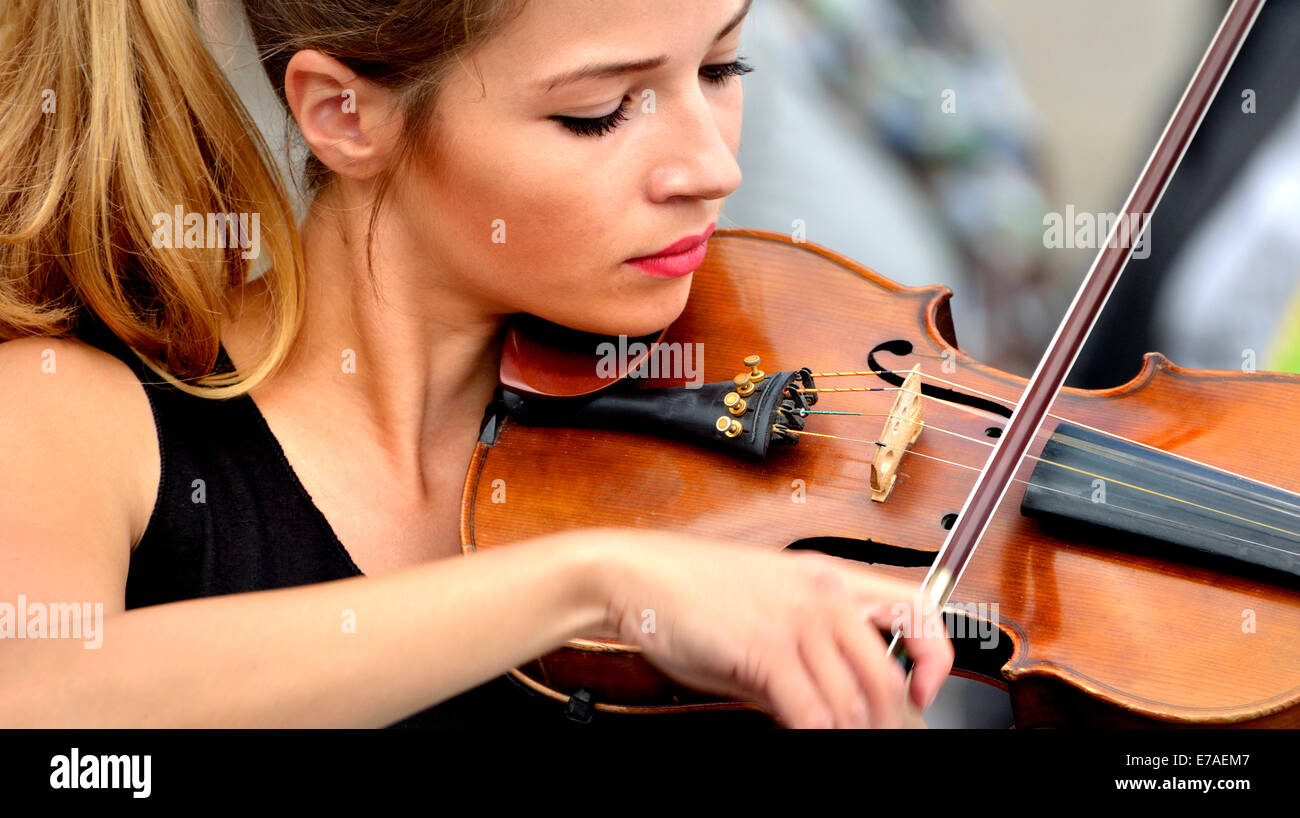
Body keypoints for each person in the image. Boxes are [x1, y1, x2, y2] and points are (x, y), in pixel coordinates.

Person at [0, 0, 952, 728]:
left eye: (720, 66)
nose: (711, 168)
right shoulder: (78, 412)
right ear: (344, 114)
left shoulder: (731, 409)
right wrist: (595, 581)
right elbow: (40, 689)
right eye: (602, 111)